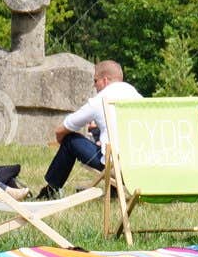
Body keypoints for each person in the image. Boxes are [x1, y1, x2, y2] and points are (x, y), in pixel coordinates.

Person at [39, 60, 141, 199]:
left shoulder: (100, 99)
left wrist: (60, 139)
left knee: (70, 140)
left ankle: (51, 190)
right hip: (138, 165)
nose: (94, 85)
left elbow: (64, 128)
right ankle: (114, 192)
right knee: (110, 147)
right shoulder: (137, 97)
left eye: (95, 80)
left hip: (115, 167)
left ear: (105, 80)